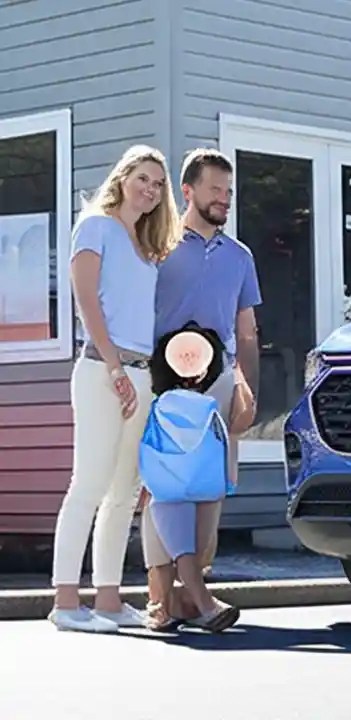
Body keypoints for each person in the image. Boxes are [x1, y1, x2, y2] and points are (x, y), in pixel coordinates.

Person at [48, 144, 181, 633]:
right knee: (90, 483)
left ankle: (107, 599)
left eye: (158, 184)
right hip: (102, 372)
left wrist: (140, 376)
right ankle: (66, 601)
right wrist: (114, 369)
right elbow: (86, 301)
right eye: (143, 178)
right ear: (123, 177)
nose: (150, 189)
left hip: (141, 373)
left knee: (124, 492)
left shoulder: (146, 248)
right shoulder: (96, 226)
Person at [139, 147, 261, 630]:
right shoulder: (158, 246)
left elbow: (247, 330)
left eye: (228, 192)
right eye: (215, 189)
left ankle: (193, 593)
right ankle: (159, 599)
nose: (223, 199)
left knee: (210, 488)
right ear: (187, 191)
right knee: (163, 486)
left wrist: (247, 389)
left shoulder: (240, 256)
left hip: (220, 382)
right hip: (164, 385)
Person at [139, 323, 240, 632]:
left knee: (178, 546)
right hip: (201, 482)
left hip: (166, 483)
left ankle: (167, 608)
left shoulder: (156, 404)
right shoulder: (208, 406)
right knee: (188, 549)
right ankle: (204, 604)